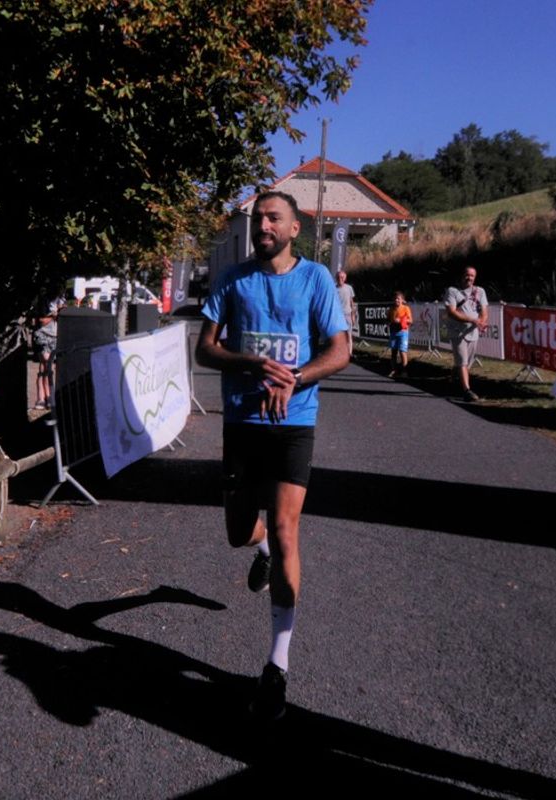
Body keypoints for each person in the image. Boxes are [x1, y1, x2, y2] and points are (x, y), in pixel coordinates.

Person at [195, 190, 349, 721]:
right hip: (242, 421)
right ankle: (256, 550)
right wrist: (250, 363)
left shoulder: (316, 281)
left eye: (273, 218)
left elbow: (340, 349)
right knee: (241, 531)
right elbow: (205, 348)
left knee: (287, 530)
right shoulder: (233, 278)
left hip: (294, 422)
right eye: (258, 217)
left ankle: (276, 665)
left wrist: (297, 377)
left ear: (293, 229)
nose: (263, 225)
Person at [443, 266, 488, 402]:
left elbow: (484, 310)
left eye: (472, 275)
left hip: (473, 332)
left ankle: (453, 379)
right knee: (462, 360)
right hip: (457, 332)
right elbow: (451, 311)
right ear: (462, 275)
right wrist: (472, 319)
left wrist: (482, 322)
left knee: (467, 362)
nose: (469, 278)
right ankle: (466, 391)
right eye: (467, 275)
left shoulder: (480, 291)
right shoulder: (452, 291)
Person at [31, 302, 57, 410]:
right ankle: (43, 397)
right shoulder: (39, 330)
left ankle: (49, 396)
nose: (41, 320)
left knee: (47, 369)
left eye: (45, 317)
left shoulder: (55, 324)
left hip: (53, 341)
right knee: (45, 367)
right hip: (43, 342)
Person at [387, 290, 412, 378]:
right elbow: (388, 319)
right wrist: (390, 322)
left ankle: (404, 371)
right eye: (395, 299)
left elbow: (410, 320)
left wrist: (401, 320)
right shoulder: (391, 309)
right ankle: (394, 370)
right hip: (393, 332)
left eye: (398, 299)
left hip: (403, 332)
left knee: (402, 351)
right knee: (393, 352)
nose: (396, 300)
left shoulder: (405, 308)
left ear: (402, 300)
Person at [334, 270, 356, 353]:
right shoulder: (333, 288)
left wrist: (353, 315)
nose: (340, 279)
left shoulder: (349, 288)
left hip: (347, 314)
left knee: (348, 335)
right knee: (338, 335)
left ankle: (349, 354)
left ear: (345, 278)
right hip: (337, 315)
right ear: (336, 278)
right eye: (339, 277)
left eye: (342, 277)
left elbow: (352, 302)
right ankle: (339, 353)